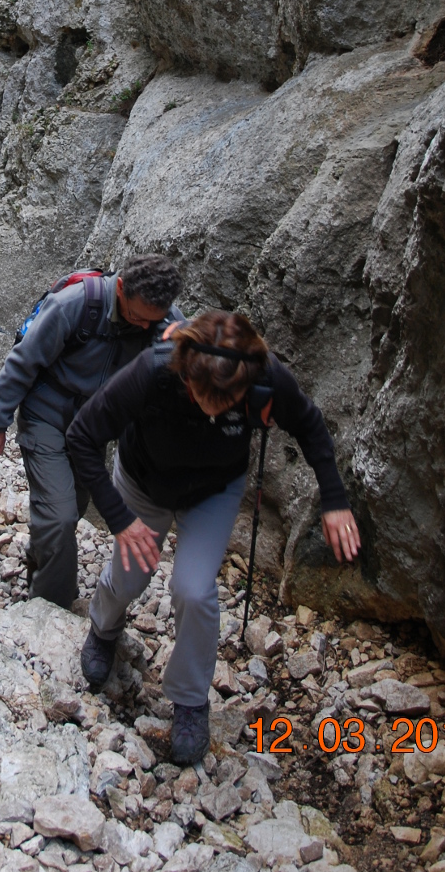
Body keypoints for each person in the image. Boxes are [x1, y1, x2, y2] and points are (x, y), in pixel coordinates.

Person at [66, 310, 361, 765]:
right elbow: (82, 436)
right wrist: (122, 521)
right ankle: (104, 628)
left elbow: (310, 426)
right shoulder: (153, 372)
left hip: (214, 491)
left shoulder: (266, 379)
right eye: (204, 395)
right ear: (187, 370)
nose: (214, 407)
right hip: (144, 482)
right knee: (130, 576)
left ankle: (188, 701)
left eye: (228, 401)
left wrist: (335, 500)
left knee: (195, 589)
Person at [0, 256, 183, 611]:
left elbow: (203, 347)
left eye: (150, 322)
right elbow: (23, 360)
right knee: (59, 516)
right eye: (136, 317)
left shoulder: (163, 319)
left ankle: (41, 556)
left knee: (71, 507)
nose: (142, 326)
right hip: (45, 412)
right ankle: (49, 609)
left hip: (94, 428)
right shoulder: (74, 304)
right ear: (120, 288)